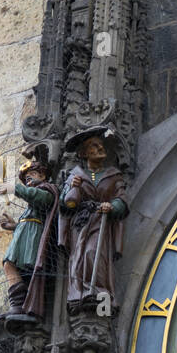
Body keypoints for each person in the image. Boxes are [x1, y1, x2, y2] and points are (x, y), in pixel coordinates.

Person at [61, 127, 128, 312]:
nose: (100, 148)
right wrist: (72, 188)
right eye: (94, 146)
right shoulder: (75, 175)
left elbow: (122, 200)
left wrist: (112, 206)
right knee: (78, 258)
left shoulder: (113, 175)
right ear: (84, 154)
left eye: (100, 144)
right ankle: (79, 293)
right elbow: (66, 204)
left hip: (101, 221)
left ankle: (100, 292)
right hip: (80, 224)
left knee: (93, 253)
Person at [0, 157, 58, 319]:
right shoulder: (31, 202)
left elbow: (40, 198)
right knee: (10, 265)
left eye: (32, 173)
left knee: (19, 267)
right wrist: (14, 226)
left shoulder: (47, 190)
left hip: (34, 237)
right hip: (25, 235)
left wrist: (13, 188)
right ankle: (18, 305)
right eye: (25, 178)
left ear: (42, 176)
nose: (28, 178)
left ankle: (24, 306)